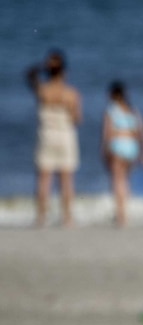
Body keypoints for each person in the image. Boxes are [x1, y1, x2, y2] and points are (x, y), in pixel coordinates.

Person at [26, 53, 81, 227]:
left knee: (44, 179)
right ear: (64, 71)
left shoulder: (43, 91)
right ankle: (67, 218)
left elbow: (29, 75)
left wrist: (42, 69)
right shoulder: (71, 93)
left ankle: (41, 217)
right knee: (66, 180)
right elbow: (77, 119)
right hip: (65, 136)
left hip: (46, 135)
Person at [102, 82, 143, 228]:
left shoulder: (111, 111)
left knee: (117, 181)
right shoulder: (132, 111)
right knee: (126, 181)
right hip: (132, 146)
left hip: (118, 145)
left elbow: (107, 133)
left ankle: (120, 215)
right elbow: (141, 133)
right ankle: (125, 214)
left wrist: (105, 151)